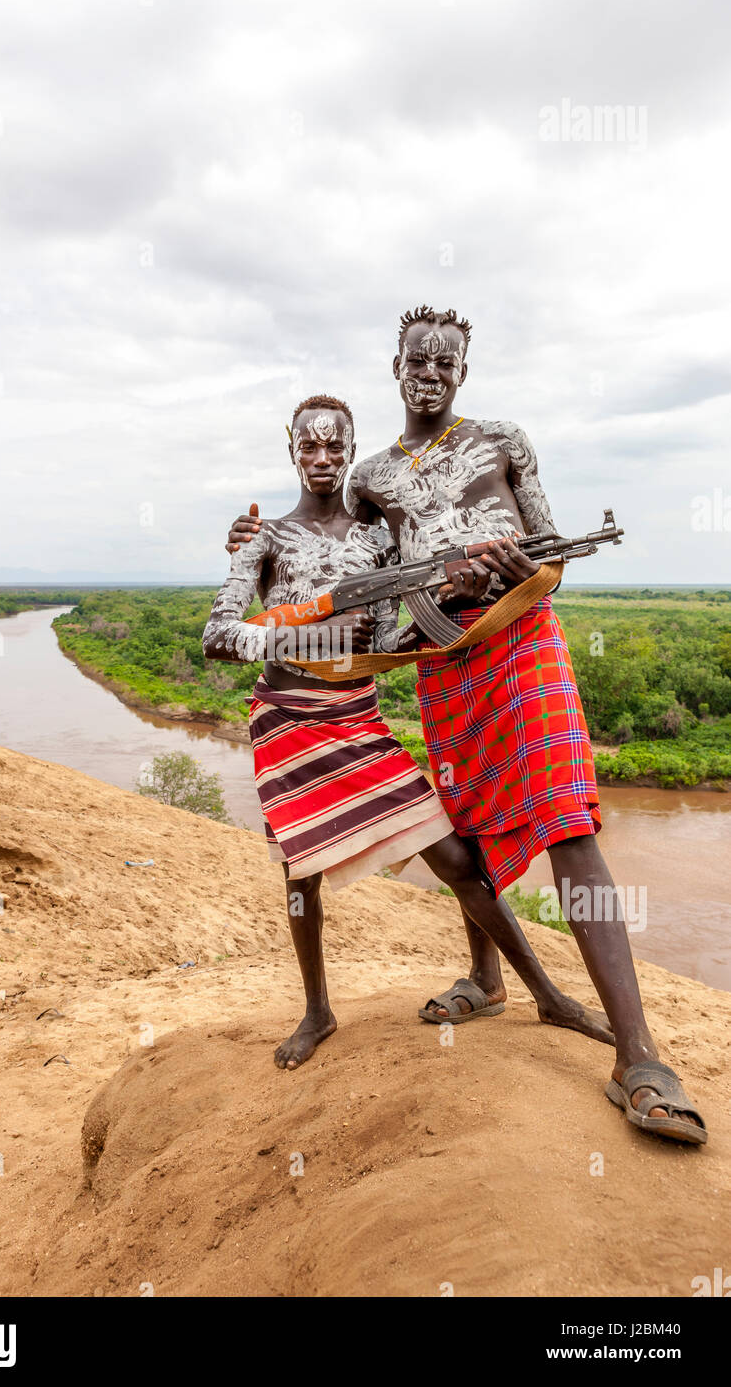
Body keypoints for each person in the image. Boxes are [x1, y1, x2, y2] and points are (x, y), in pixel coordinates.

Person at [224, 317, 707, 1145]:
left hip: (519, 636)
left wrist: (530, 572)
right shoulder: (372, 478)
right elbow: (357, 574)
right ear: (396, 367)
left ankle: (638, 1057)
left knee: (569, 823)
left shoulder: (501, 440)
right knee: (469, 831)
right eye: (418, 360)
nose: (431, 373)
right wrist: (253, 551)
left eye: (447, 362)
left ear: (466, 369)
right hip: (443, 661)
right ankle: (487, 982)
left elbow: (552, 552)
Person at [204, 394, 612, 1071]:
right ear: (292, 450)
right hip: (287, 720)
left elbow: (392, 636)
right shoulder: (266, 537)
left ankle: (547, 994)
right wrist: (317, 627)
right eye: (310, 445)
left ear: (352, 448)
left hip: (355, 715)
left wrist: (453, 592)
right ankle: (317, 1011)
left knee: (455, 862)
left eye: (337, 446)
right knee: (299, 873)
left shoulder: (378, 541)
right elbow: (219, 634)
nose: (324, 458)